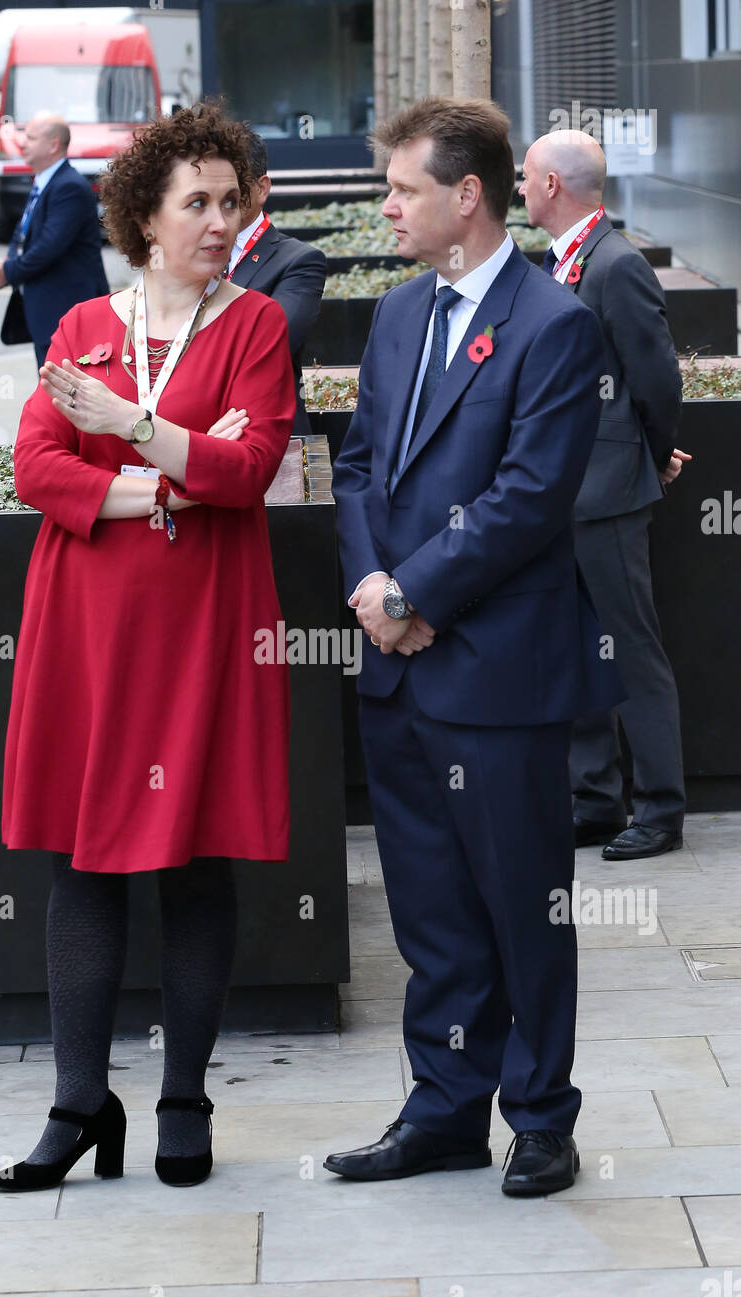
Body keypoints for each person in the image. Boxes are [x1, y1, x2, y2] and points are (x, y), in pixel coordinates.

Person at [0, 103, 296, 1194]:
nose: (221, 220)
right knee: (81, 859)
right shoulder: (79, 325)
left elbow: (248, 469)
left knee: (194, 854)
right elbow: (35, 467)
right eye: (198, 203)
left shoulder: (253, 323)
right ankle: (78, 1104)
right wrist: (158, 477)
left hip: (203, 624)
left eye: (232, 200)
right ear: (144, 215)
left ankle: (181, 1096)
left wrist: (122, 429)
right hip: (87, 625)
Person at [326, 97, 624, 1196]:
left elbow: (527, 501)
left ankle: (540, 1114)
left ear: (466, 195)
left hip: (491, 671)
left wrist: (414, 592)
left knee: (520, 903)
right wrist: (372, 587)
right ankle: (445, 1109)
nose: (385, 206)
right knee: (432, 913)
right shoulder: (401, 314)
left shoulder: (553, 325)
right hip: (396, 664)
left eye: (401, 187)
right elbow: (356, 464)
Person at [521, 129, 688, 861]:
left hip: (609, 494)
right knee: (580, 649)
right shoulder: (563, 263)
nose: (518, 189)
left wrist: (650, 460)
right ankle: (595, 801)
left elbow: (658, 379)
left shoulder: (613, 265)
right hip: (562, 496)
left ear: (554, 186)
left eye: (525, 178)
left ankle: (660, 810)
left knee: (634, 653)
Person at [0, 113, 108, 367]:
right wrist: (9, 261)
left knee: (66, 394)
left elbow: (49, 247)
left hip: (66, 311)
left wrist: (8, 271)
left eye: (31, 137)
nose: (23, 143)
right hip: (48, 310)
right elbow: (24, 233)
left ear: (53, 145)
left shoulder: (68, 187)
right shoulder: (46, 181)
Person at [227, 127, 326, 435]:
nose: (222, 200)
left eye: (234, 187)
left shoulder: (298, 260)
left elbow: (271, 344)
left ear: (261, 188)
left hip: (267, 432)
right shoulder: (186, 254)